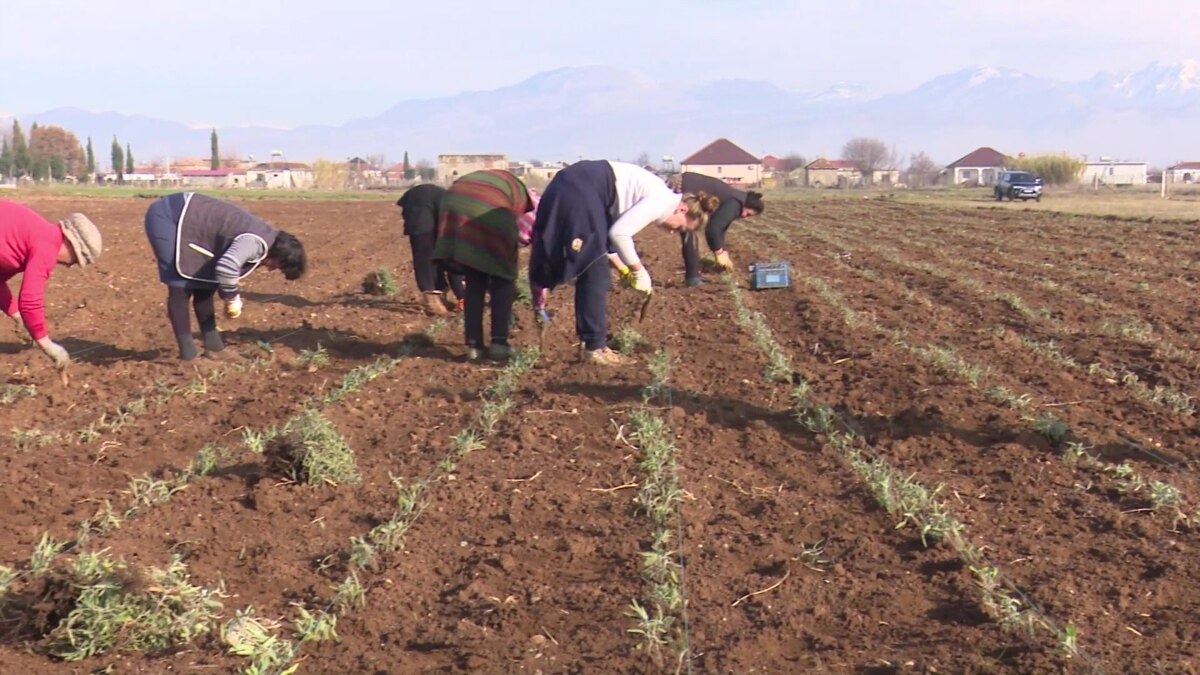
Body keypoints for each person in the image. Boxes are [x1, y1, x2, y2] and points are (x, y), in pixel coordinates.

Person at [529, 160, 717, 366]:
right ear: (682, 209)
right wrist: (638, 271)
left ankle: (541, 286)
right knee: (596, 273)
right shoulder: (661, 200)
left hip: (569, 183)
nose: (673, 232)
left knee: (577, 254)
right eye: (681, 228)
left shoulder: (657, 192)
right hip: (581, 188)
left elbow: (606, 242)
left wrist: (623, 268)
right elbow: (619, 234)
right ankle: (594, 347)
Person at [143, 192, 306, 362]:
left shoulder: (268, 239)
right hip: (169, 216)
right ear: (279, 255)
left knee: (205, 286)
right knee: (180, 286)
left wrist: (225, 289)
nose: (271, 269)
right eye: (276, 266)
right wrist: (232, 297)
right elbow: (227, 267)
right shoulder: (255, 243)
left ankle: (214, 348)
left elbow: (222, 273)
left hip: (191, 222)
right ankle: (188, 355)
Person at [432, 169, 535, 361]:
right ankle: (499, 344)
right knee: (503, 279)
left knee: (474, 279)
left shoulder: (502, 182)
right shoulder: (521, 195)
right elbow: (520, 220)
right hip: (489, 208)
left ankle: (474, 347)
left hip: (454, 203)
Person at [0, 200, 103, 374]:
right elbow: (30, 300)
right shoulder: (47, 246)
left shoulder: (36, 233)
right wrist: (47, 345)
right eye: (75, 260)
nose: (69, 266)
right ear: (71, 244)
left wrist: (17, 316)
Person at [670, 172, 765, 286]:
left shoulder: (737, 201)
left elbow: (721, 229)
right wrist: (719, 252)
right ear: (746, 205)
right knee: (690, 230)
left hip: (686, 182)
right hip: (682, 185)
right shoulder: (735, 204)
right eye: (748, 213)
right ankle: (692, 279)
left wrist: (722, 250)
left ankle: (693, 277)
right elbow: (713, 228)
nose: (744, 217)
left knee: (692, 230)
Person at [396, 184, 465, 316]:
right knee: (424, 251)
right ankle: (431, 300)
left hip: (435, 204)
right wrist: (462, 297)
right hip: (419, 202)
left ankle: (440, 293)